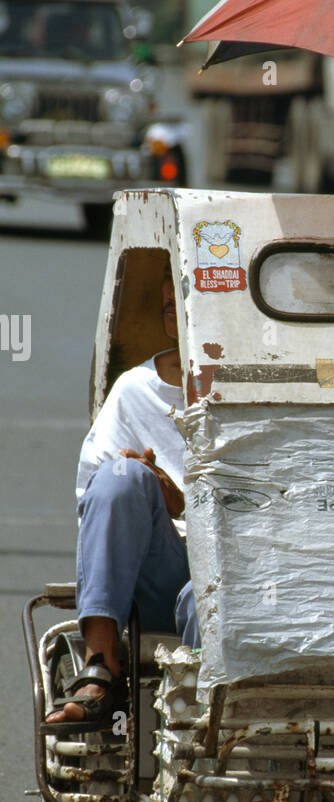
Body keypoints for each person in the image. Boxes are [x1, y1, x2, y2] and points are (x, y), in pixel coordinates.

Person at [46, 275, 198, 731]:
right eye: (169, 301)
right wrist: (156, 491)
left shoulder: (270, 388)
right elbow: (98, 502)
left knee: (209, 600)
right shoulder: (136, 389)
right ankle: (100, 667)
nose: (174, 308)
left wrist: (187, 502)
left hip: (236, 576)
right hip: (165, 571)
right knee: (120, 475)